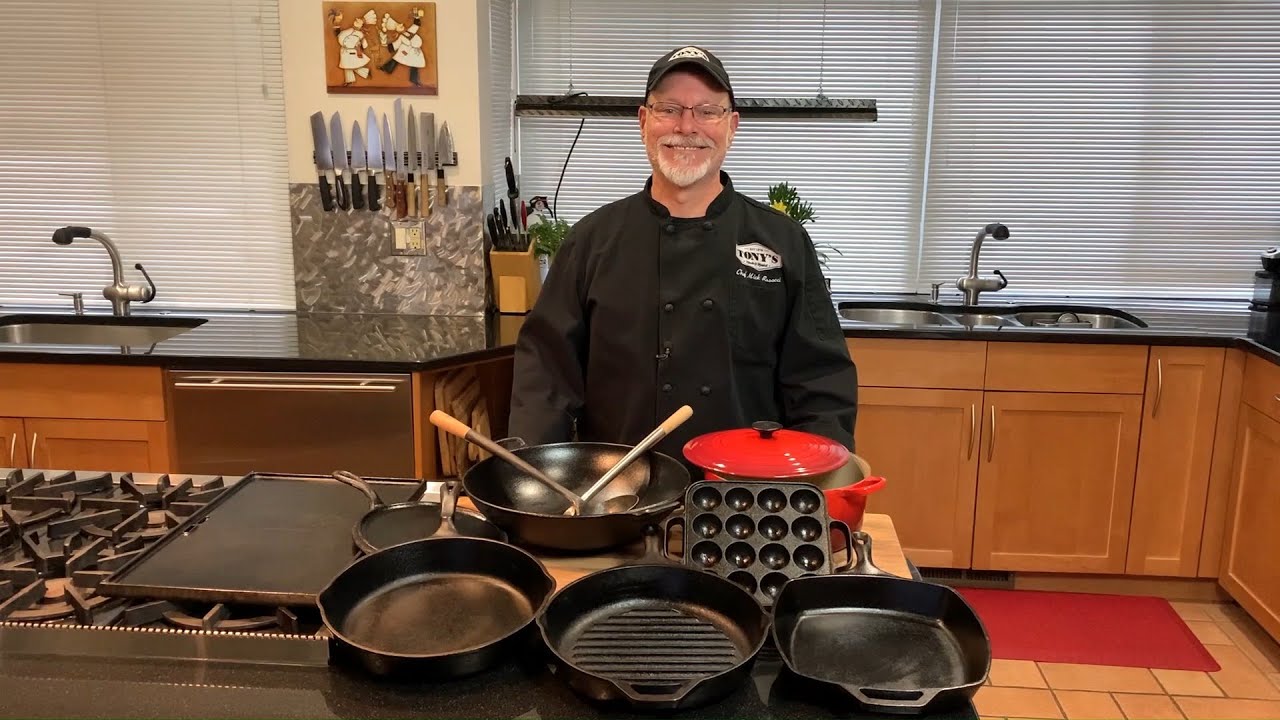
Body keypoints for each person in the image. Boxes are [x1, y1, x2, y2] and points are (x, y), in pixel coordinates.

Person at [508, 45, 859, 469]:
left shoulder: (782, 243)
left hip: (744, 501)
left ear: (732, 126)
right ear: (643, 122)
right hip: (617, 496)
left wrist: (816, 489)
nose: (687, 126)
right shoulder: (591, 241)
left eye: (707, 111)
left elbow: (820, 383)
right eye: (669, 109)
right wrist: (531, 479)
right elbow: (546, 377)